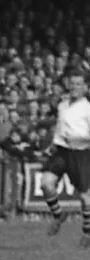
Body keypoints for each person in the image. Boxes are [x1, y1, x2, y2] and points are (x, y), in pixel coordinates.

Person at [39, 69, 90, 245]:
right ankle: (59, 215)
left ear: (85, 87)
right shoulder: (63, 104)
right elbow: (60, 129)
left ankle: (87, 232)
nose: (74, 87)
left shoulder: (87, 108)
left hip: (81, 153)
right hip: (61, 151)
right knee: (46, 183)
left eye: (78, 83)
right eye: (72, 83)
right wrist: (53, 144)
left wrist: (80, 138)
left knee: (85, 196)